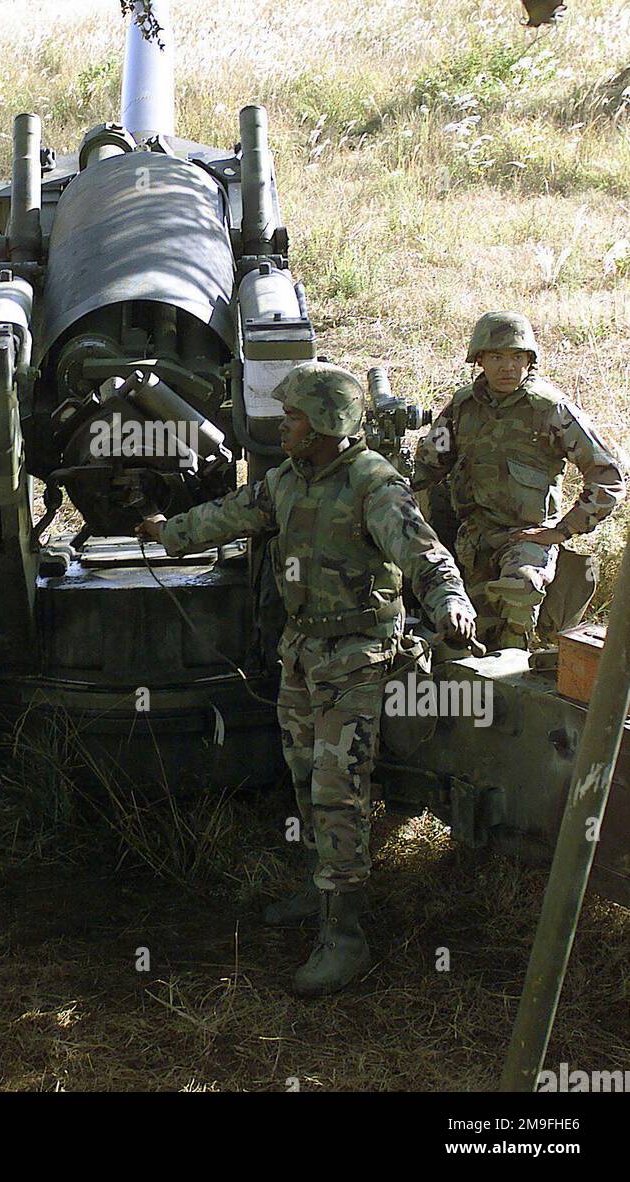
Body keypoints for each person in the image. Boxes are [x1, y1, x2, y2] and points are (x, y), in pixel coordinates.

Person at [136, 363, 476, 998]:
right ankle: (318, 882)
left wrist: (451, 601)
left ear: (325, 424)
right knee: (301, 772)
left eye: (292, 416)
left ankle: (345, 935)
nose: (281, 426)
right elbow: (229, 513)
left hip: (356, 659)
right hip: (301, 653)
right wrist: (169, 533)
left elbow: (422, 551)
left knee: (337, 789)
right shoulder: (287, 480)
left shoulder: (373, 484)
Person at [412, 312, 626, 650]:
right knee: (470, 634)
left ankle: (518, 668)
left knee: (519, 599)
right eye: (496, 357)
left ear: (530, 360)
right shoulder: (463, 407)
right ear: (479, 359)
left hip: (527, 537)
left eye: (517, 357)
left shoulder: (551, 409)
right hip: (475, 539)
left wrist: (562, 530)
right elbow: (427, 468)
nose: (507, 367)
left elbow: (608, 477)